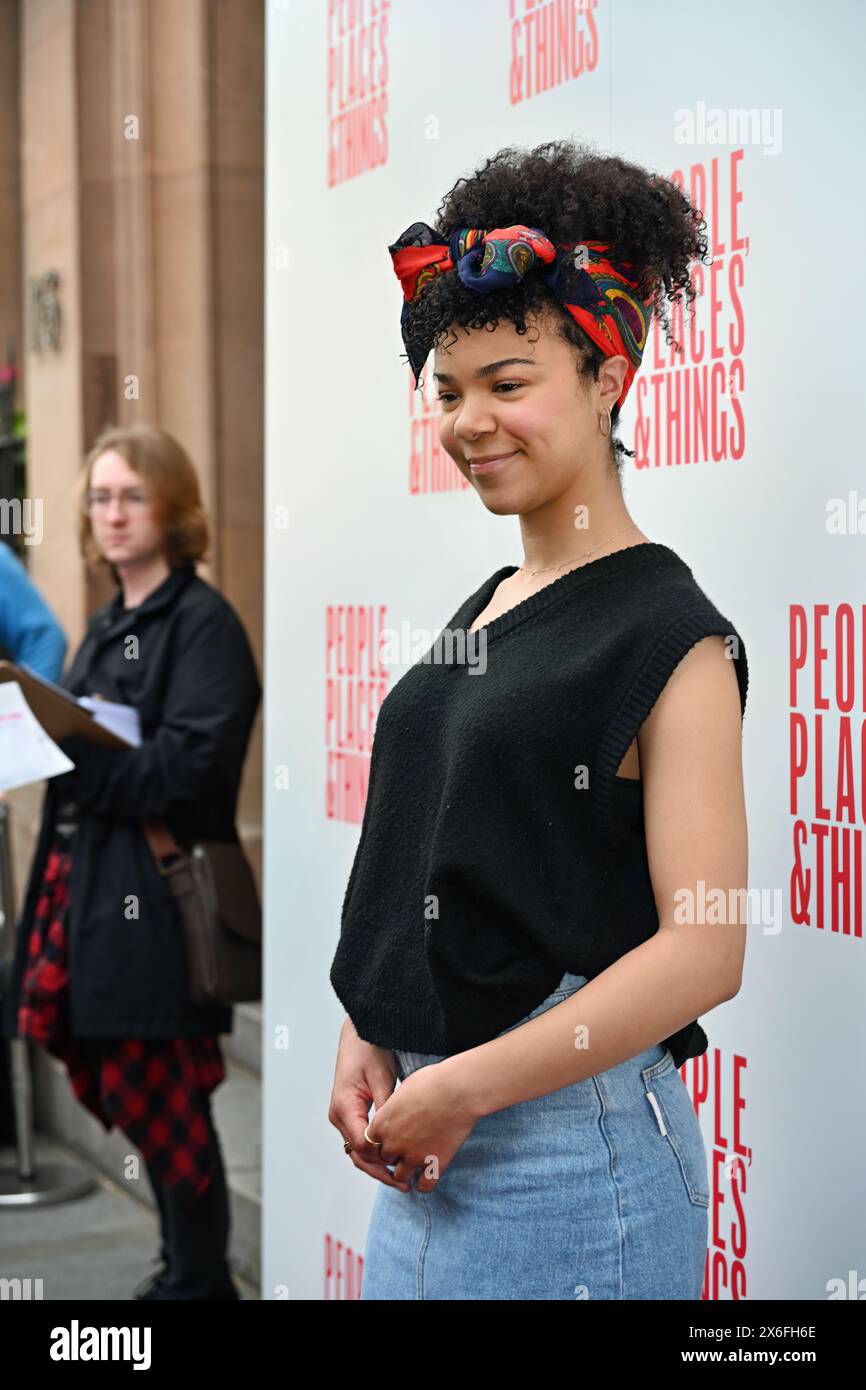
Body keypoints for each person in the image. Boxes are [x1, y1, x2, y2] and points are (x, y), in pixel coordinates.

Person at [328, 140, 749, 1300]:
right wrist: (371, 1026)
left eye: (508, 384)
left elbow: (704, 950)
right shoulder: (496, 602)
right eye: (449, 390)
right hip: (424, 1153)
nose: (469, 423)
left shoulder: (670, 631)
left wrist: (464, 1086)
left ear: (607, 377)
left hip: (575, 1166)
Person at [0, 422, 261, 1300]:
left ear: (172, 507)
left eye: (131, 496)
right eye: (100, 498)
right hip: (90, 900)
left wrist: (79, 751)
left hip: (159, 907)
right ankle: (180, 1269)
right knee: (139, 1107)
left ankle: (198, 1284)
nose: (112, 515)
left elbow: (191, 772)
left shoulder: (202, 624)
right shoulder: (109, 620)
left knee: (172, 1107)